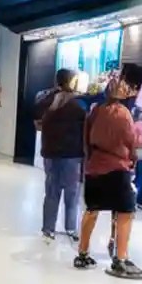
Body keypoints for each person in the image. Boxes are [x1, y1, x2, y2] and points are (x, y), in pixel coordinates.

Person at [75, 63, 142, 279]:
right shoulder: (124, 114)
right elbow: (130, 142)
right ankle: (121, 259)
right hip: (117, 169)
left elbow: (86, 139)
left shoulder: (95, 111)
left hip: (94, 167)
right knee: (125, 212)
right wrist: (133, 157)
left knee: (92, 209)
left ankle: (83, 253)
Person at [34, 69, 86, 241]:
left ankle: (48, 228)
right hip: (72, 154)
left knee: (51, 192)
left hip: (50, 152)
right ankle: (71, 228)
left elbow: (36, 116)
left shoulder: (46, 99)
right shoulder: (79, 103)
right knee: (72, 194)